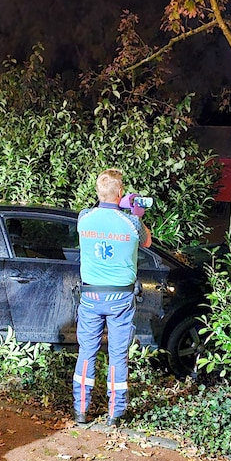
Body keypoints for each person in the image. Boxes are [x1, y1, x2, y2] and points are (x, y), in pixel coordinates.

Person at [71, 168, 151, 427]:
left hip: (91, 296)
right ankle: (114, 415)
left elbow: (95, 219)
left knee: (87, 352)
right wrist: (137, 213)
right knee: (117, 355)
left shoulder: (84, 218)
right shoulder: (132, 223)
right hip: (121, 299)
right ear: (121, 193)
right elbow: (147, 242)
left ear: (97, 192)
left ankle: (81, 411)